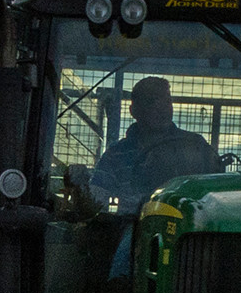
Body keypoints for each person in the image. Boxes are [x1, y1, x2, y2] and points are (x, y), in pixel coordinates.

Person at [90, 76, 222, 215]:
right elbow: (96, 199)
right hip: (133, 228)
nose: (162, 108)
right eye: (151, 101)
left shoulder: (195, 146)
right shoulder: (116, 154)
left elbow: (217, 192)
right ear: (133, 111)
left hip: (186, 227)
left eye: (167, 100)